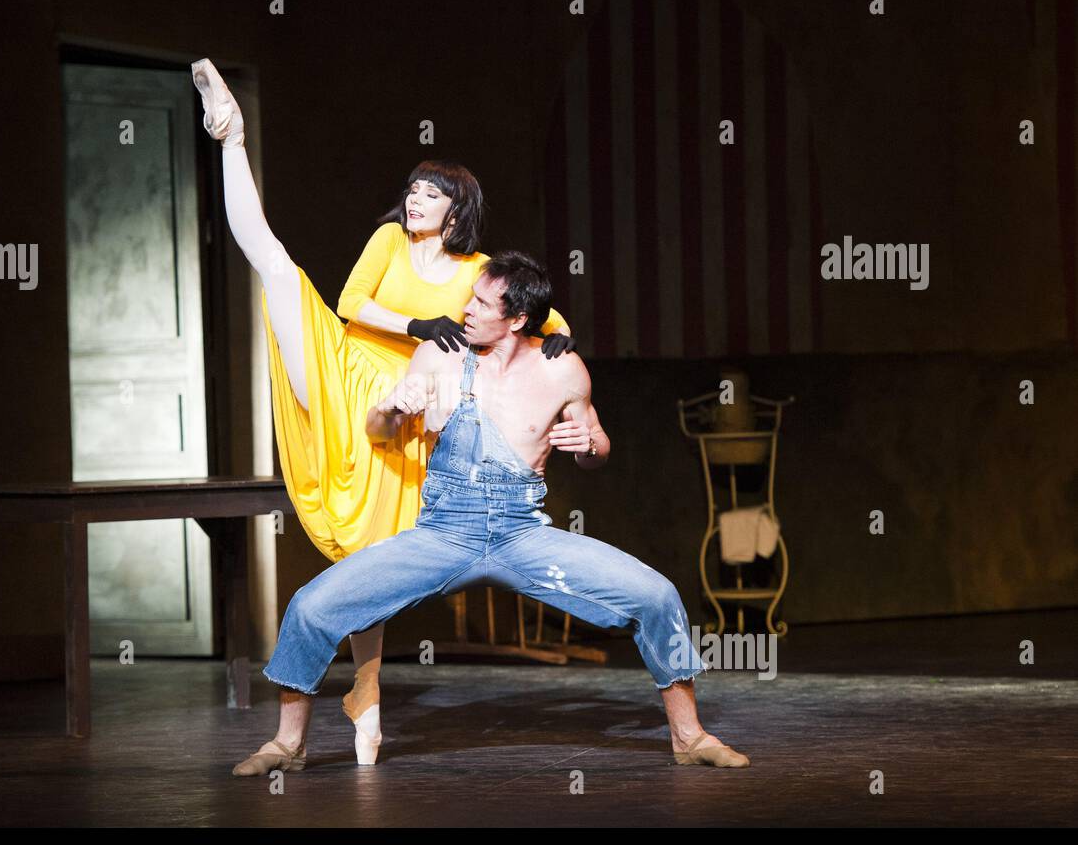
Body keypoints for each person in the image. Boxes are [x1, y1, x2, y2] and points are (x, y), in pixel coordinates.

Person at [191, 57, 577, 765]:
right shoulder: (387, 241)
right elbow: (347, 305)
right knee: (279, 270)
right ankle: (230, 137)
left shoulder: (478, 270)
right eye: (412, 188)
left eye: (429, 191)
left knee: (368, 564)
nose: (415, 197)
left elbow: (540, 318)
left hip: (408, 415)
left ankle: (365, 698)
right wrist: (420, 324)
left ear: (457, 208)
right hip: (350, 374)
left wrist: (558, 337)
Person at [231, 251, 751, 775]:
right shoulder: (439, 354)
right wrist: (391, 409)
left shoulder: (561, 369)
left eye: (482, 302)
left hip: (522, 535)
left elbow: (598, 447)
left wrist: (589, 444)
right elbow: (377, 432)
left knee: (656, 595)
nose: (467, 308)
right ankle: (288, 745)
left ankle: (690, 737)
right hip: (442, 534)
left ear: (518, 318)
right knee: (311, 605)